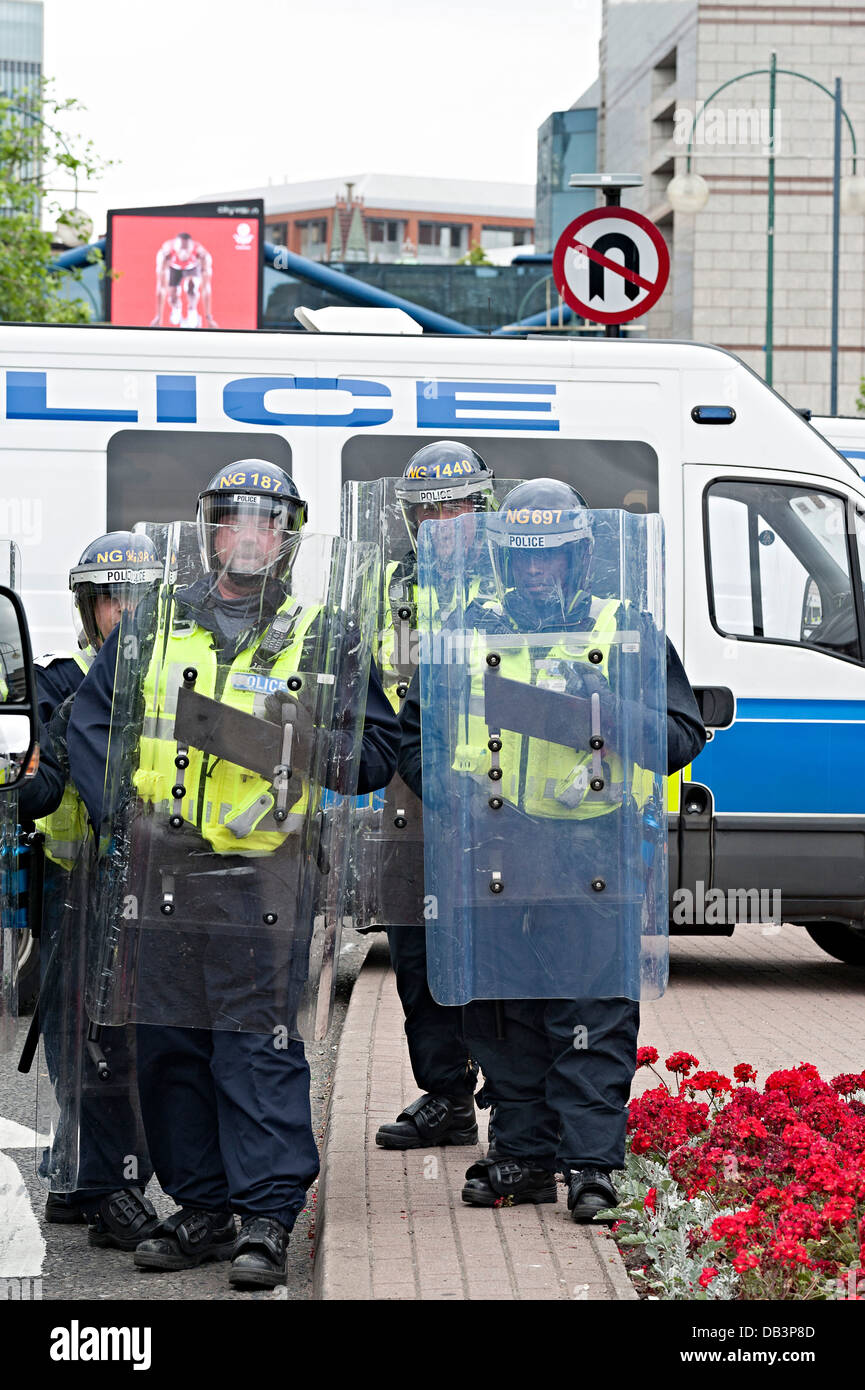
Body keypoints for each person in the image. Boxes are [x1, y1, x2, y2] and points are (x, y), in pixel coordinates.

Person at [67, 461, 400, 1288]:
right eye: (232, 521)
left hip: (263, 880)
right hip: (161, 867)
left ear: (286, 538)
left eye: (265, 523)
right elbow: (94, 724)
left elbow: (378, 752)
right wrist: (122, 814)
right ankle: (205, 1207)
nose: (247, 536)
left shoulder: (327, 633)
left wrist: (294, 747)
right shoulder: (153, 624)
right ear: (210, 531)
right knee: (170, 1046)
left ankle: (264, 1216)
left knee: (254, 1047)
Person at [398, 479, 706, 1220]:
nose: (536, 572)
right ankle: (521, 1157)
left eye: (552, 559)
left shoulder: (625, 626)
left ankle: (592, 1165)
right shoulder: (463, 631)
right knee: (502, 1015)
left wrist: (600, 709)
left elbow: (679, 738)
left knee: (591, 1015)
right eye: (522, 560)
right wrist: (448, 795)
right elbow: (414, 738)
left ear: (580, 558)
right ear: (500, 561)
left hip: (590, 856)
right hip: (491, 849)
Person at [32, 533, 162, 1246]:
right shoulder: (60, 681)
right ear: (90, 608)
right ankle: (99, 1182)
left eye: (139, 599)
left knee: (142, 1038)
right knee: (82, 1042)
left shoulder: (180, 675)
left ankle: (91, 1174)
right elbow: (41, 783)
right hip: (77, 888)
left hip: (161, 880)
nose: (125, 613)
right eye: (112, 598)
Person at [371, 442, 499, 1151]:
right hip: (408, 789)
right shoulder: (386, 586)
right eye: (426, 510)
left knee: (497, 956)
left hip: (500, 794)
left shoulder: (516, 580)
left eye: (455, 507)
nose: (440, 522)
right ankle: (446, 1095)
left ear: (483, 511)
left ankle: (513, 1099)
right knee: (416, 956)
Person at [150, 232, 216, 328]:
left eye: (186, 251)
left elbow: (206, 288)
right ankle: (176, 307)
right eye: (181, 250)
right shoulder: (165, 255)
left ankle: (192, 310)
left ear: (191, 249)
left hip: (192, 267)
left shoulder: (202, 255)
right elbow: (161, 287)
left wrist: (209, 317)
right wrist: (158, 316)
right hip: (173, 268)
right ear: (176, 249)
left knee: (192, 286)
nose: (184, 255)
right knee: (173, 294)